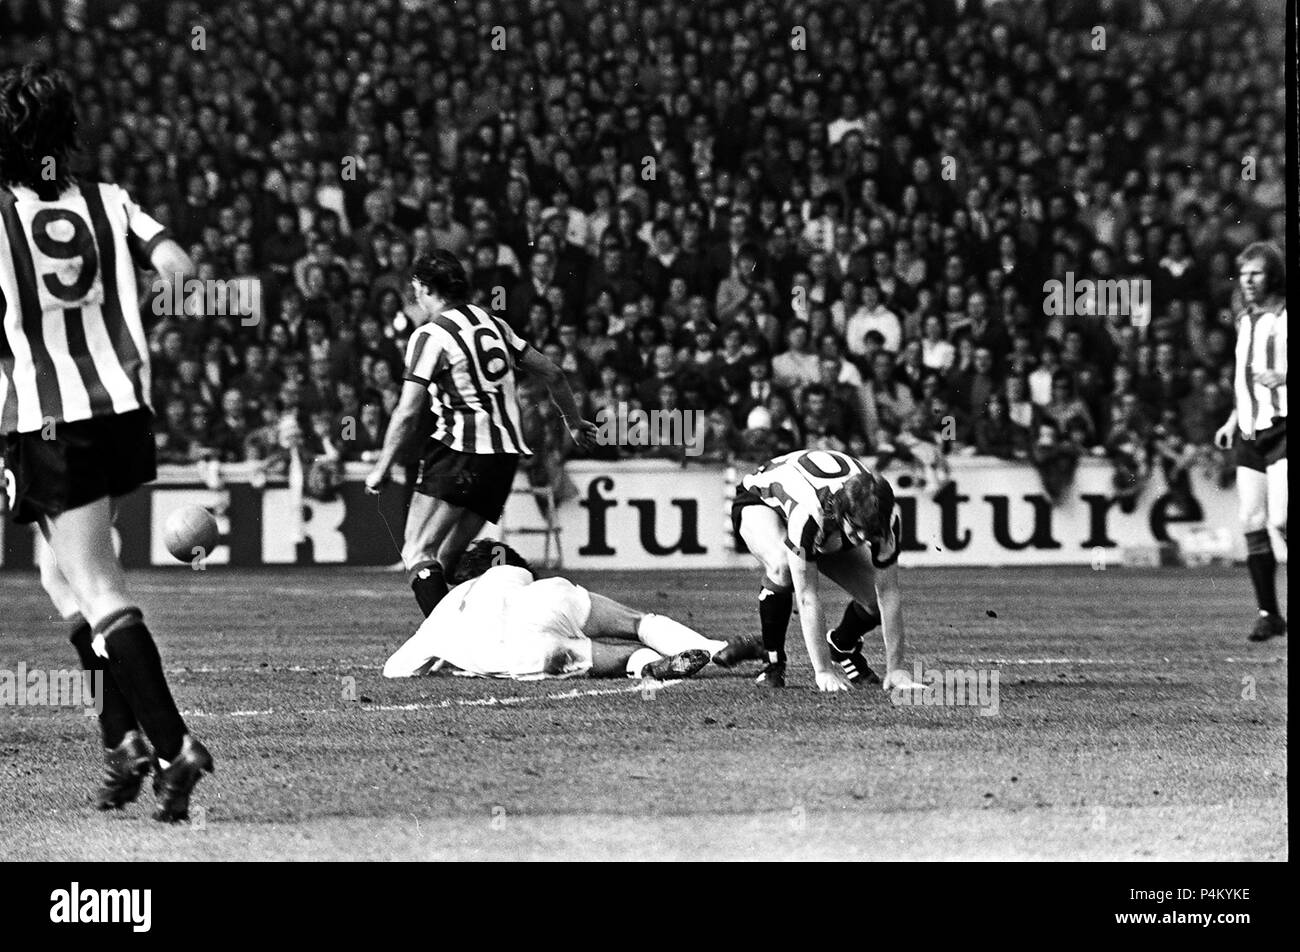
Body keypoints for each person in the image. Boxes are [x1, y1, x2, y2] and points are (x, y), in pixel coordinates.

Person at [0, 64, 212, 821]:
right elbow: (181, 271)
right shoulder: (107, 200)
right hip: (123, 408)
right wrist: (123, 329)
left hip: (50, 421)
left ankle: (172, 744)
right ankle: (121, 739)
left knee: (97, 586)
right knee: (60, 577)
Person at [364, 250, 596, 616]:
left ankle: (452, 644)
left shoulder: (430, 335)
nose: (415, 296)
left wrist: (381, 466)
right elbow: (553, 373)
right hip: (503, 460)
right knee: (447, 558)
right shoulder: (493, 324)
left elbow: (408, 411)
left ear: (426, 288)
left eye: (416, 288)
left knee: (417, 551)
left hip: (461, 450)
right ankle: (530, 599)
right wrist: (574, 421)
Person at [383, 541, 761, 681]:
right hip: (541, 601)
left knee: (620, 658)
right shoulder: (510, 573)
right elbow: (519, 576)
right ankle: (716, 649)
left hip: (502, 654)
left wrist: (450, 661)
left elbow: (394, 671)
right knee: (639, 622)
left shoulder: (441, 618)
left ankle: (646, 667)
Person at [730, 448, 922, 691]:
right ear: (843, 513)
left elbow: (889, 594)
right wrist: (823, 672)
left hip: (827, 520)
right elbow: (807, 596)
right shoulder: (811, 513)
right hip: (759, 501)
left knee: (873, 601)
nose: (863, 538)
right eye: (858, 528)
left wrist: (896, 671)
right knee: (782, 565)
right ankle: (773, 663)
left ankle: (842, 645)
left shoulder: (886, 519)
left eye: (870, 533)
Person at [1213, 242, 1287, 641]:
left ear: (1273, 274)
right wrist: (1231, 418)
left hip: (1284, 427)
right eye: (1243, 275)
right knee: (1251, 520)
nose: (1248, 281)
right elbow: (1244, 382)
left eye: (1256, 273)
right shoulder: (1247, 321)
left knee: (1282, 519)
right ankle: (1269, 614)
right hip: (1250, 432)